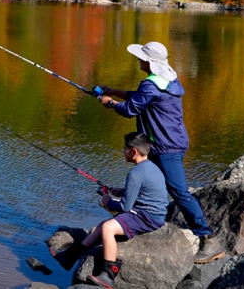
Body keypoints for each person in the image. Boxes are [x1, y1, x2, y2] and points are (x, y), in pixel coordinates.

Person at [97, 41, 226, 264]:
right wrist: (114, 91)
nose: (139, 60)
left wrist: (110, 103)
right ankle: (135, 217)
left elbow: (131, 109)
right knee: (151, 181)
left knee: (179, 192)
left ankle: (208, 238)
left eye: (141, 58)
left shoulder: (151, 84)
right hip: (166, 143)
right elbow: (140, 97)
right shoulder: (166, 80)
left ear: (150, 62)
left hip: (166, 146)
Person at [53, 132, 170, 288]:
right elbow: (142, 189)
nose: (123, 151)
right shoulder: (151, 167)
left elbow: (124, 207)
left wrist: (108, 201)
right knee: (102, 226)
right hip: (153, 213)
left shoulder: (135, 173)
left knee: (108, 228)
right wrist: (119, 191)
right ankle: (69, 257)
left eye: (124, 148)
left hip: (147, 217)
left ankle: (108, 275)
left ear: (133, 151)